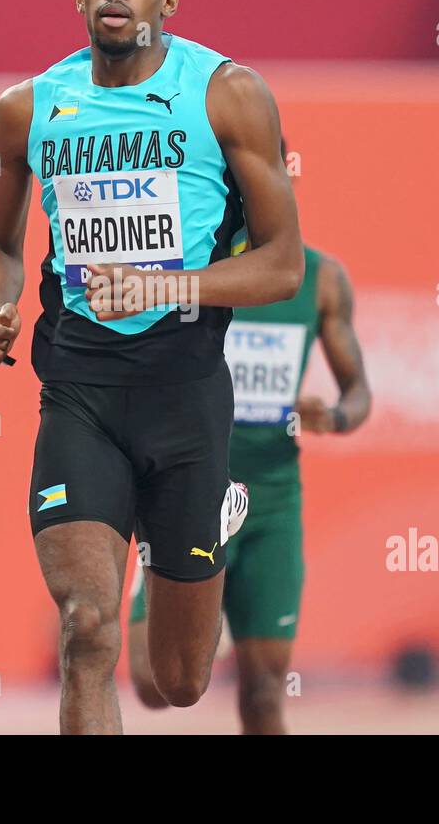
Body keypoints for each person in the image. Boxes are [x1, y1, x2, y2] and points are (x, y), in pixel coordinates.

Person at [0, 0, 303, 733]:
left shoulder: (227, 94)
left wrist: (167, 284)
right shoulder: (27, 110)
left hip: (185, 394)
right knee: (88, 629)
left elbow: (283, 263)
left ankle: (203, 515)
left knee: (180, 680)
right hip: (79, 392)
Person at [128, 140, 373, 733]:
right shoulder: (184, 271)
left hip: (271, 503)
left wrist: (335, 417)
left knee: (264, 690)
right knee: (154, 687)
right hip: (190, 496)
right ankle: (202, 611)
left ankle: (223, 612)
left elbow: (359, 392)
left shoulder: (320, 280)